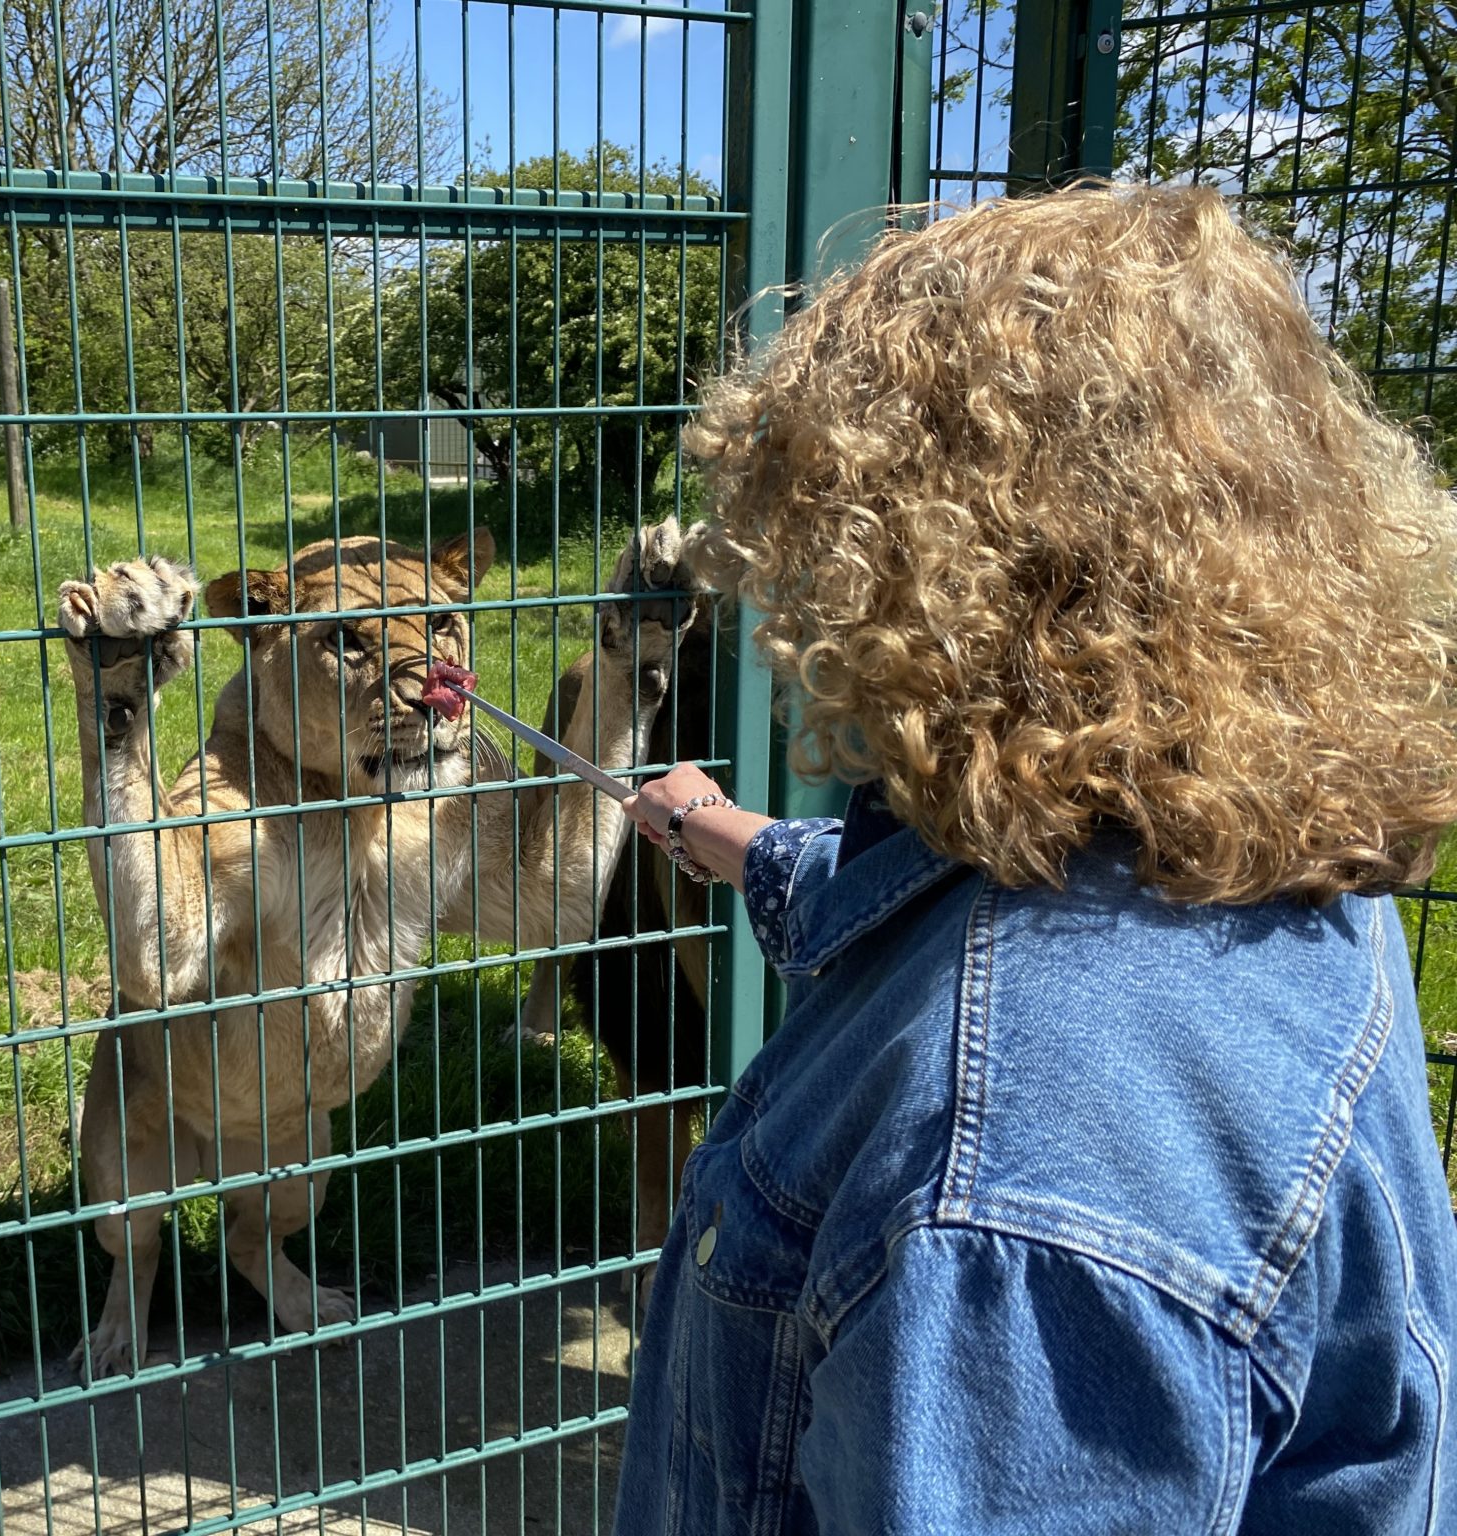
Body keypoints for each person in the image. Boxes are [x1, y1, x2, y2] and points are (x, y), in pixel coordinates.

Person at [613, 182, 1457, 1534]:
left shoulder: (1009, 1186)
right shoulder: (1239, 858)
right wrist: (743, 842)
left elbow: (1017, 1060)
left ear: (929, 558)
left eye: (822, 521)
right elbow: (990, 933)